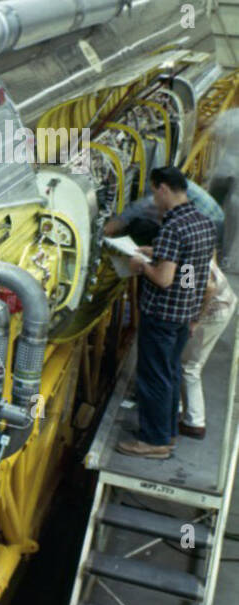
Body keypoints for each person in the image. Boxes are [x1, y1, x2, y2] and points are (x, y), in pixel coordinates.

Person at [118, 166, 219, 458]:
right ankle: (167, 432)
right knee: (171, 373)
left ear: (163, 188)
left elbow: (164, 279)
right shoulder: (202, 222)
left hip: (161, 317)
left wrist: (142, 266)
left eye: (153, 192)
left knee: (154, 378)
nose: (154, 200)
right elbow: (190, 271)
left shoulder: (173, 227)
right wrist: (160, 253)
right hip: (183, 315)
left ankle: (154, 442)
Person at [178, 256, 236, 439]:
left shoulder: (186, 261)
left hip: (214, 309)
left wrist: (195, 319)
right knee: (187, 360)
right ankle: (179, 405)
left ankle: (195, 422)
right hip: (223, 301)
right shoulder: (198, 234)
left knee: (190, 366)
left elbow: (206, 288)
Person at [105, 176, 224, 241]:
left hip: (207, 230)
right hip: (215, 225)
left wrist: (144, 266)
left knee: (141, 227)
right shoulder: (177, 190)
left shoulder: (176, 228)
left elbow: (164, 278)